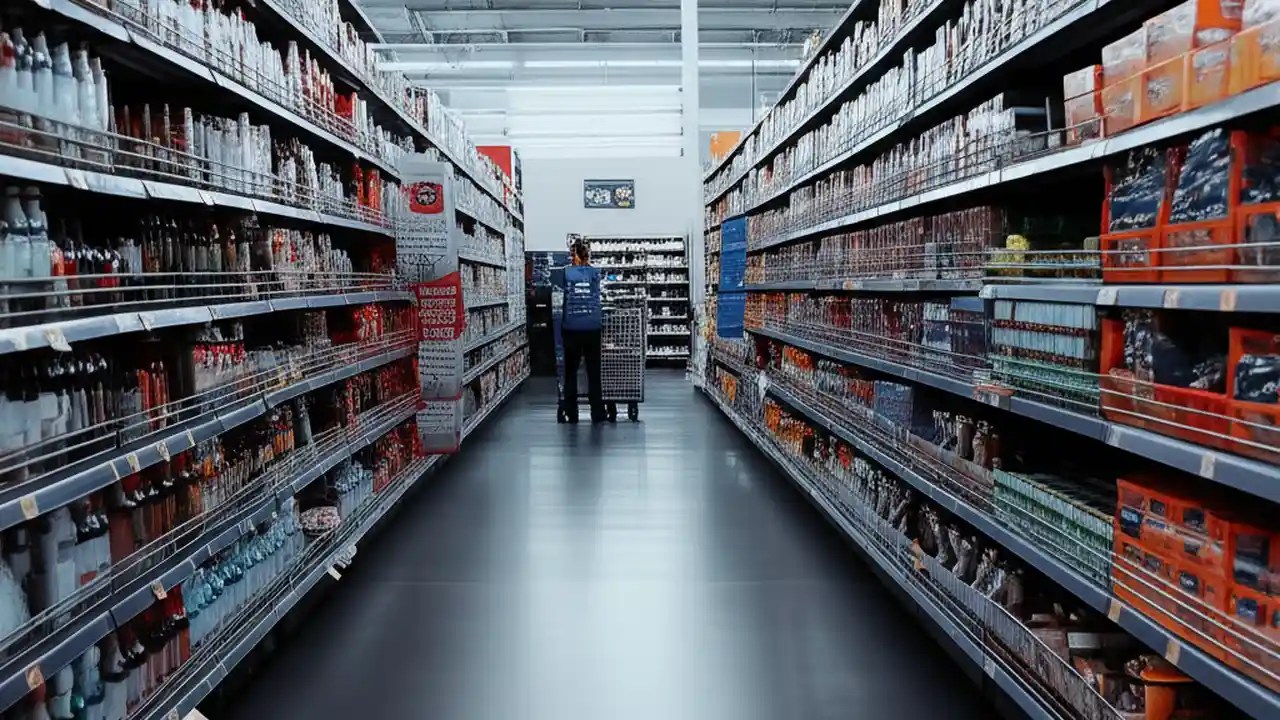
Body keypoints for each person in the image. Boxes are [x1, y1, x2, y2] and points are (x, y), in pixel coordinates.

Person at [559, 236, 607, 423]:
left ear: (574, 255)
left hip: (571, 327)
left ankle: (572, 412)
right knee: (594, 371)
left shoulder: (566, 273)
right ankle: (597, 412)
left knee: (570, 371)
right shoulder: (596, 272)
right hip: (593, 327)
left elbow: (561, 295)